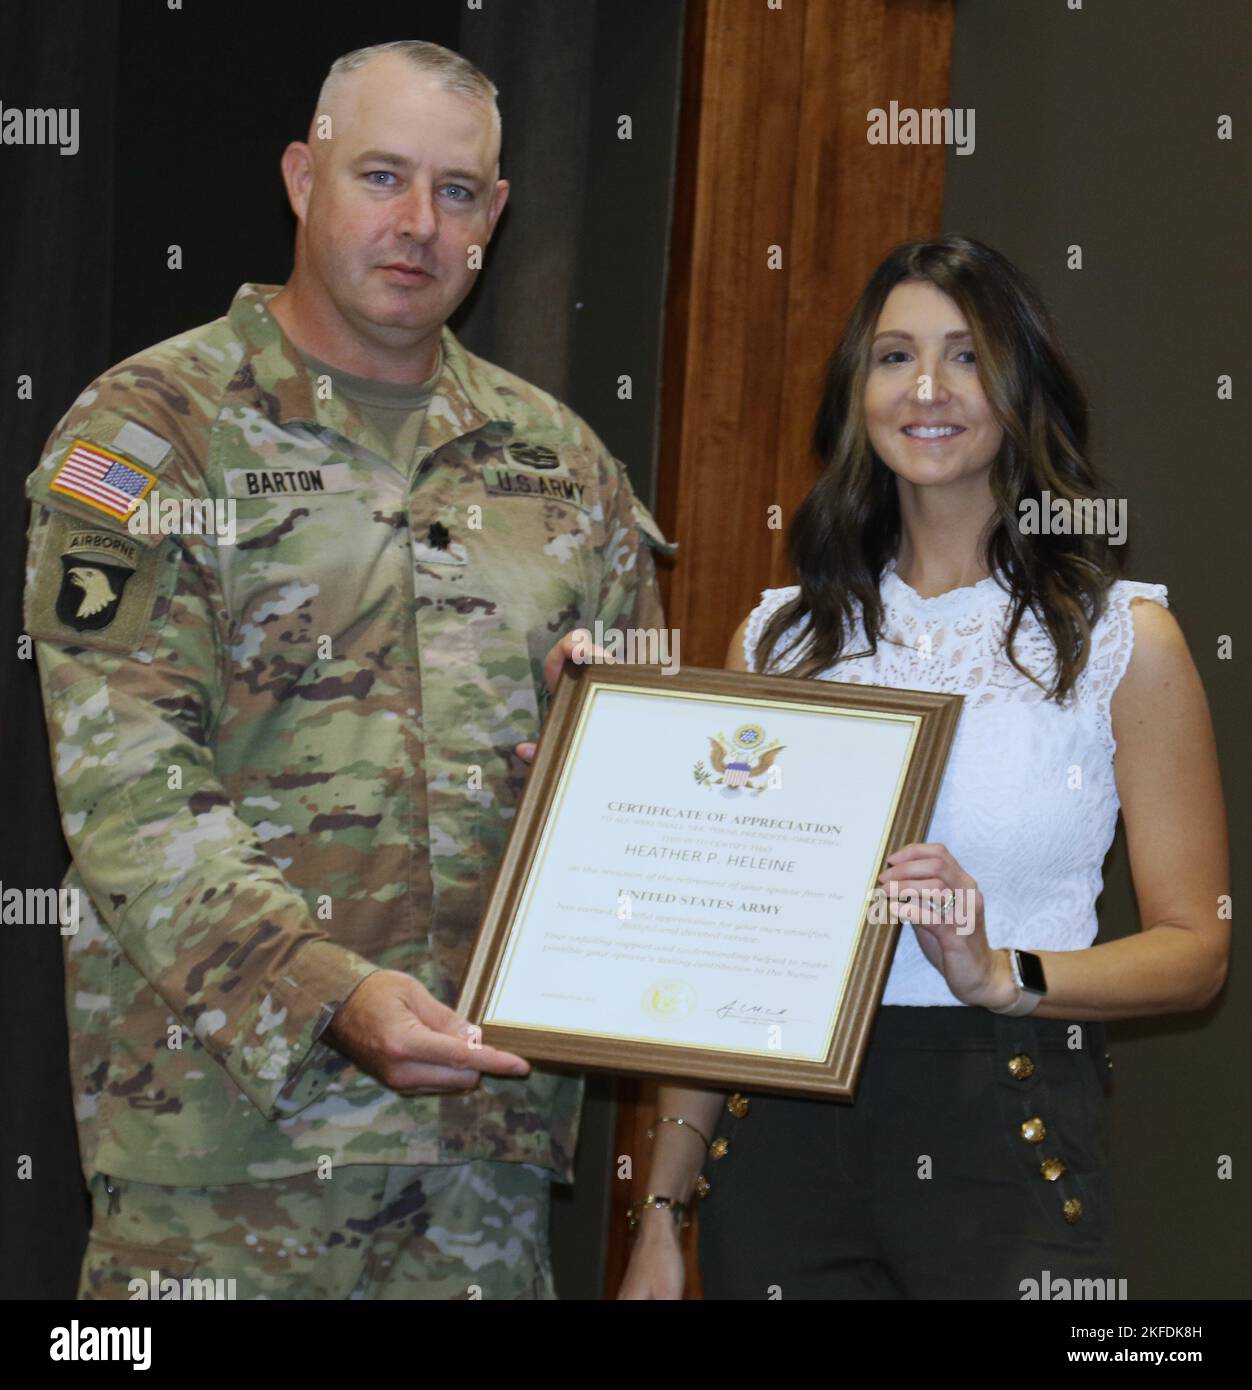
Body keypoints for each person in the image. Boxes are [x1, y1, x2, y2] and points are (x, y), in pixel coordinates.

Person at [23, 39, 673, 1300]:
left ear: (495, 213)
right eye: (381, 175)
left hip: (479, 1169)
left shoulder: (562, 467)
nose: (419, 224)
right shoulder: (147, 434)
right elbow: (127, 792)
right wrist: (331, 996)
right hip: (220, 1167)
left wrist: (598, 777)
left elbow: (650, 790)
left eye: (459, 191)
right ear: (299, 176)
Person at [617, 235, 1229, 1300]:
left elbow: (1195, 951)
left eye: (965, 354)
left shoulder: (1120, 639)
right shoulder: (777, 641)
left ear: (1018, 387)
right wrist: (662, 1215)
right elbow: (724, 961)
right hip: (787, 1140)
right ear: (858, 391)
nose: (928, 388)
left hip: (1010, 1119)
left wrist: (1006, 976)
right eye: (894, 356)